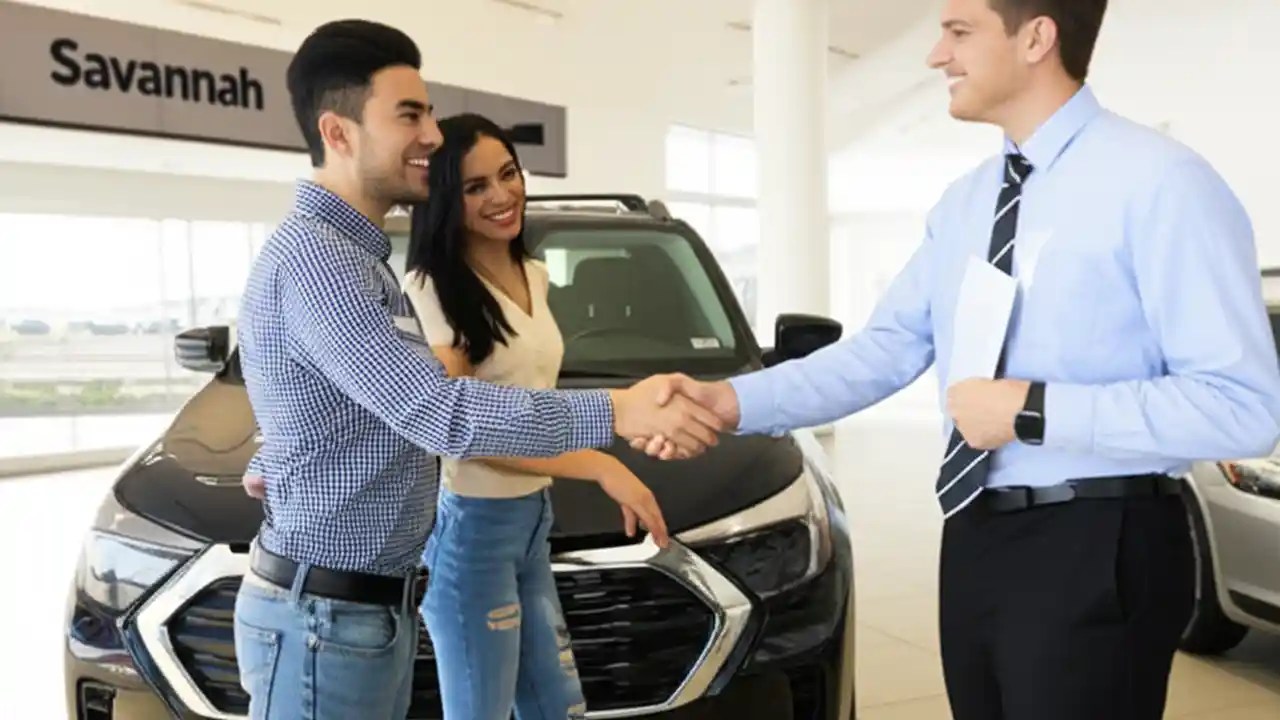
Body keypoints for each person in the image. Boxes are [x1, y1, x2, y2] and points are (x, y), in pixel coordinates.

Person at [637, 0, 1280, 718]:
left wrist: (1032, 409)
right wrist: (729, 403)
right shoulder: (968, 203)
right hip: (977, 532)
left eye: (959, 31)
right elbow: (886, 349)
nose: (936, 55)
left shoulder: (1162, 184)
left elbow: (1241, 406)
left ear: (1037, 36)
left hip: (1100, 542)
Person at [232, 19, 721, 720]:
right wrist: (616, 411)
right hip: (326, 620)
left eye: (427, 112)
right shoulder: (322, 261)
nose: (433, 134)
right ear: (338, 133)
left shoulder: (354, 257)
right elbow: (442, 411)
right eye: (410, 114)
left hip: (358, 609)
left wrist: (285, 449)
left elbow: (356, 393)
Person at [396, 112, 667, 720]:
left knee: (557, 706)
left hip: (531, 522)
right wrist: (597, 463)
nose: (502, 195)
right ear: (445, 201)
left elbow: (531, 393)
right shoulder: (433, 289)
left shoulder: (535, 276)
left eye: (508, 174)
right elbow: (462, 432)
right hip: (470, 530)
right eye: (475, 187)